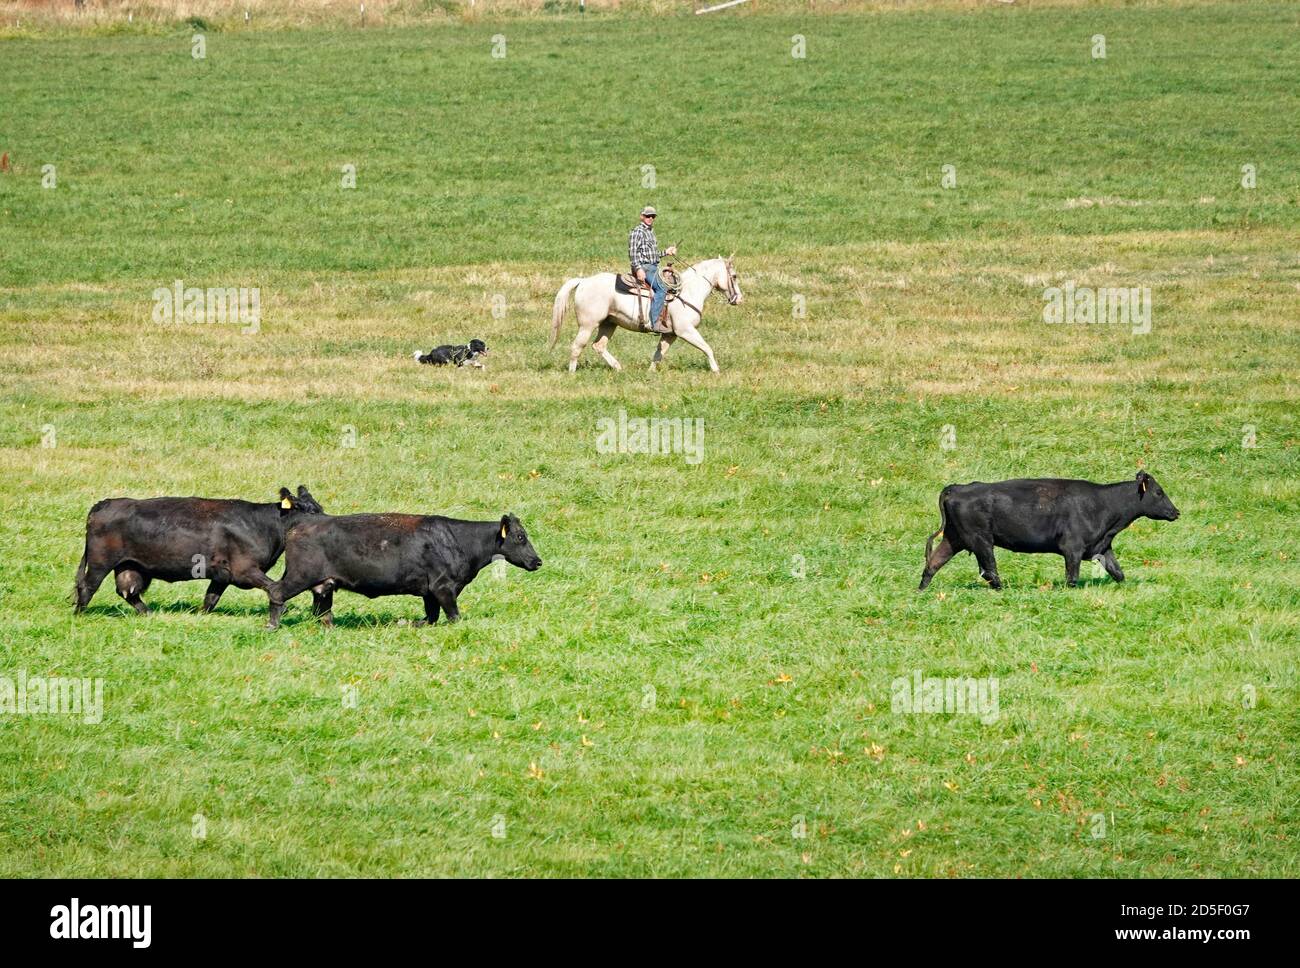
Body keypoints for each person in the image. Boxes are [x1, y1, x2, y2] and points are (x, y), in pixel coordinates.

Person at [628, 206, 677, 334]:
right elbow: (633, 253)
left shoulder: (650, 232)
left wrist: (666, 252)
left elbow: (653, 255)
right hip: (645, 267)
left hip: (653, 266)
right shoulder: (637, 232)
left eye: (652, 216)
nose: (650, 218)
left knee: (673, 283)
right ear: (642, 216)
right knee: (661, 289)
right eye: (648, 216)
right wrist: (638, 269)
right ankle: (654, 323)